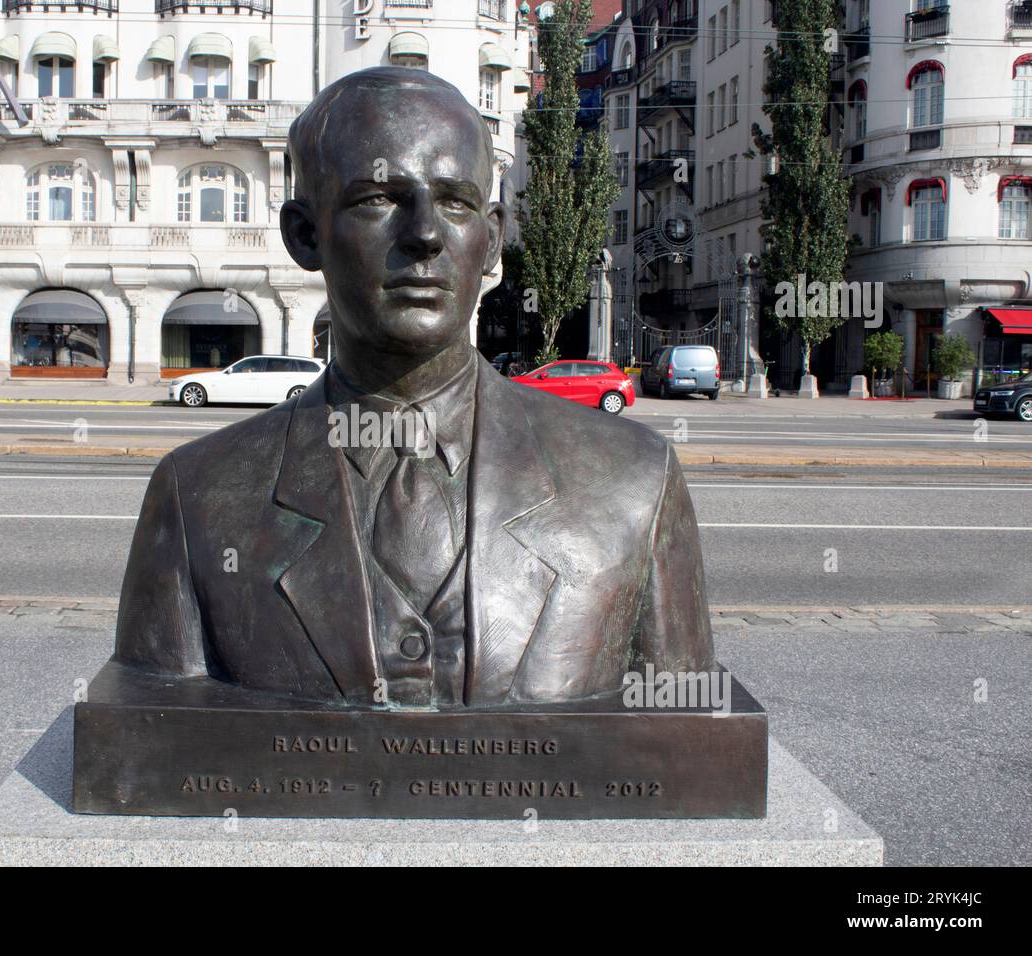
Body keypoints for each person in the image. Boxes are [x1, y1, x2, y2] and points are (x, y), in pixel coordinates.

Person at [112, 68, 713, 708]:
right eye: (378, 198)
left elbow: (683, 721)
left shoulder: (636, 479)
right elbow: (149, 719)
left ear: (492, 240)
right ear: (305, 235)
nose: (424, 234)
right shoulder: (195, 495)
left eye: (455, 201)